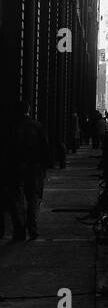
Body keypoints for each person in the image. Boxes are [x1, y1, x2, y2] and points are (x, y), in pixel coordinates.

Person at [8, 100, 51, 241]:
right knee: (33, 198)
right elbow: (45, 148)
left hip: (16, 167)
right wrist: (44, 166)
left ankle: (19, 231)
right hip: (34, 167)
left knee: (16, 199)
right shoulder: (37, 126)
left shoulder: (12, 127)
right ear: (29, 110)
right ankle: (32, 229)